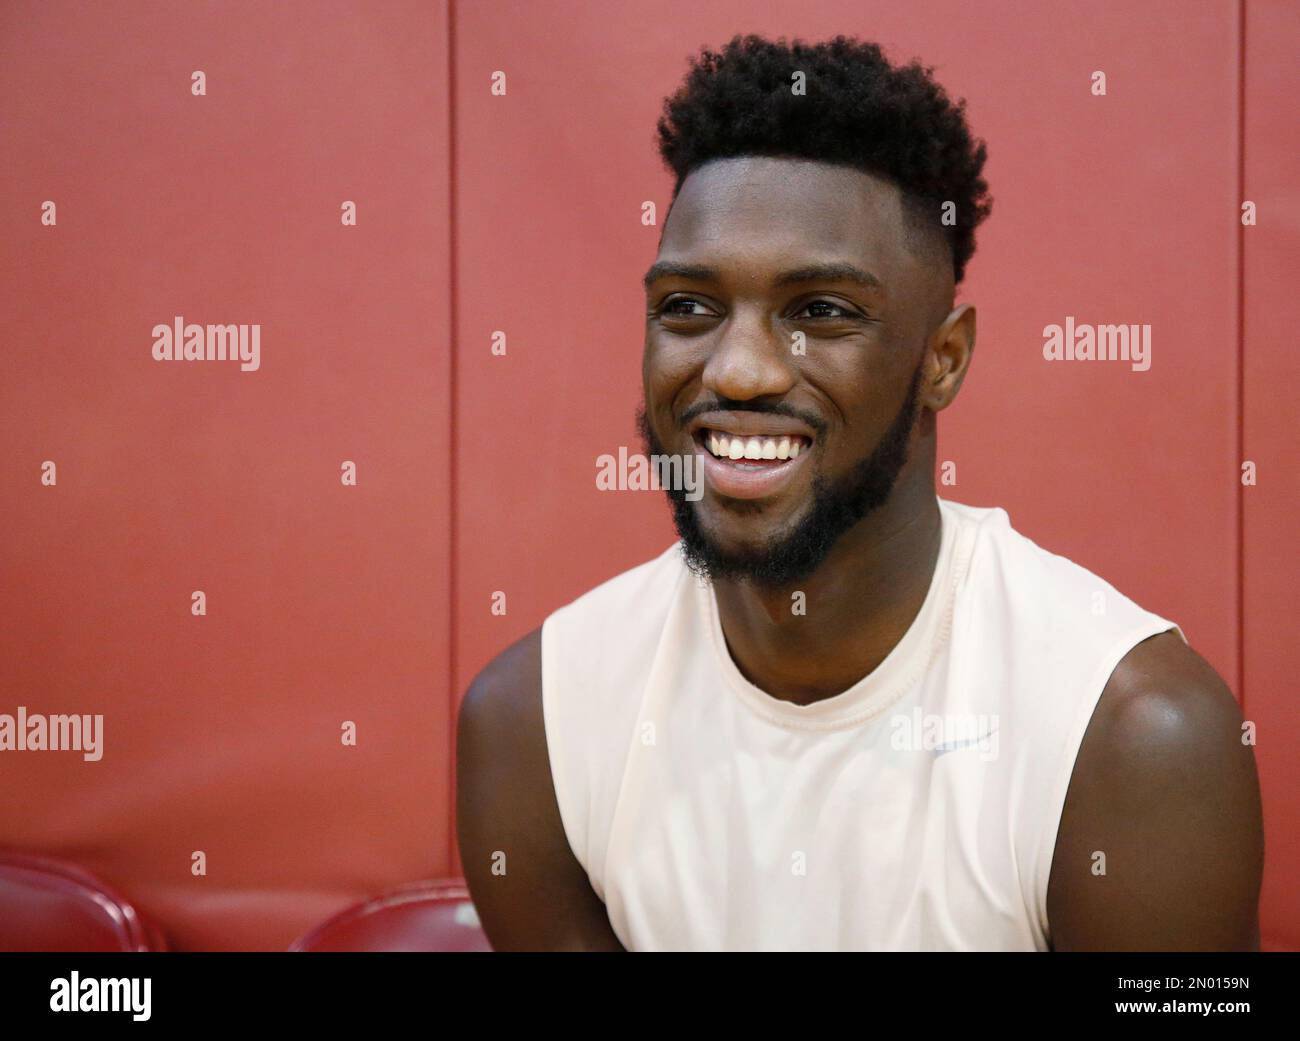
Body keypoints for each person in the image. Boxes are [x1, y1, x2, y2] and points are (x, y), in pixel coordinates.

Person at [456, 33, 1263, 951]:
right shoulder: (536, 727)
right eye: (689, 307)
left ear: (944, 359)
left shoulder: (1132, 738)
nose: (743, 369)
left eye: (821, 312)